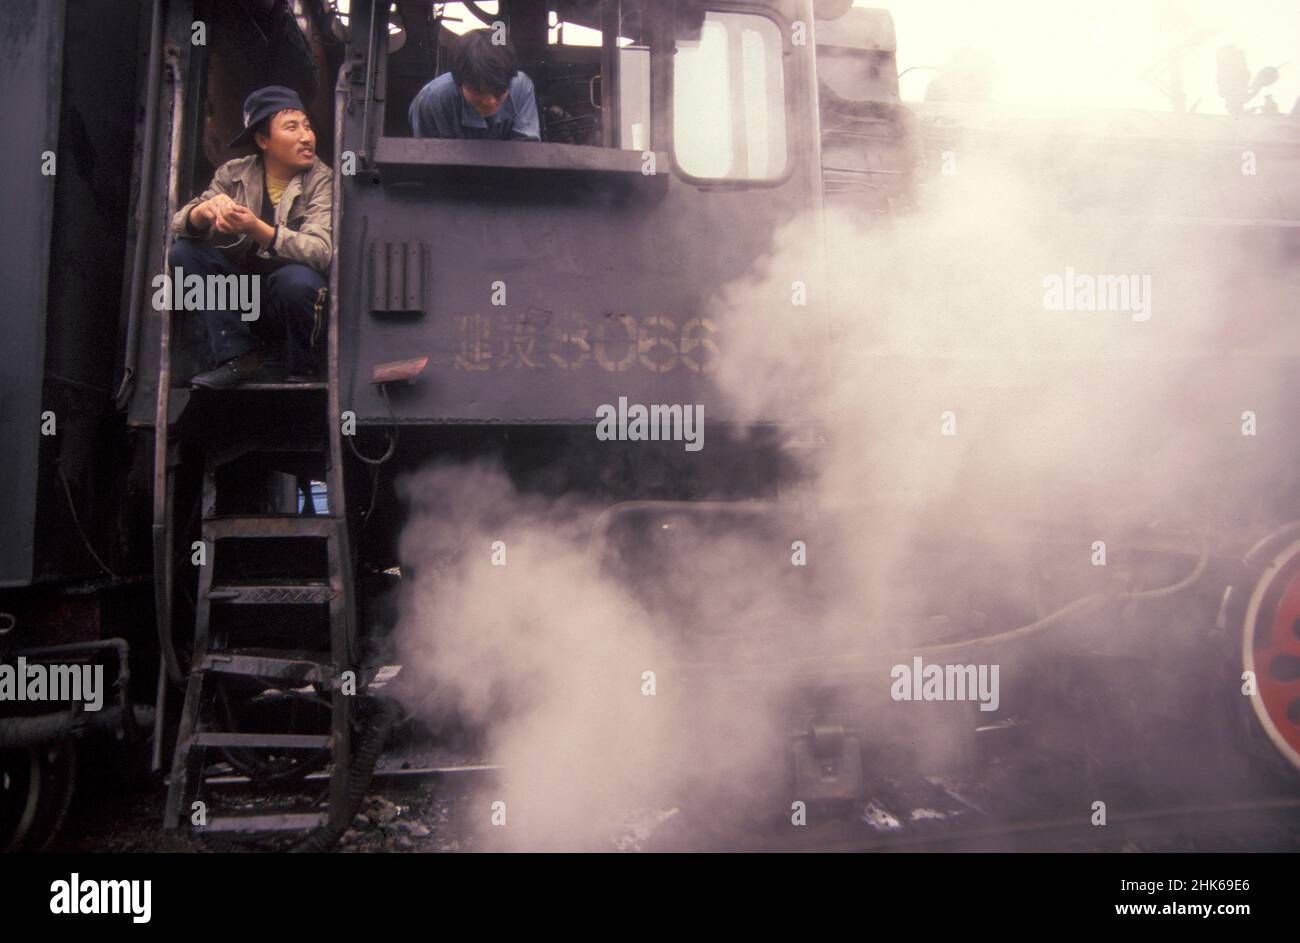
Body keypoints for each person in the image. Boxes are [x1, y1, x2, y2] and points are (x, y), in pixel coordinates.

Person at [169, 85, 332, 389]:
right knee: (184, 252)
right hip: (245, 299)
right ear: (262, 140)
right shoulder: (233, 173)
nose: (306, 136)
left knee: (297, 281)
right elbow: (178, 225)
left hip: (293, 301)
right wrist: (203, 211)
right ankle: (238, 357)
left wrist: (258, 229)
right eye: (292, 127)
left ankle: (305, 368)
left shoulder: (322, 180)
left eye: (307, 126)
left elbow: (322, 251)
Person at [409, 29, 540, 141]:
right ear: (459, 82)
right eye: (478, 91)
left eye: (499, 91)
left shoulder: (520, 86)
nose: (490, 102)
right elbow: (427, 157)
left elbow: (526, 148)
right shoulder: (432, 100)